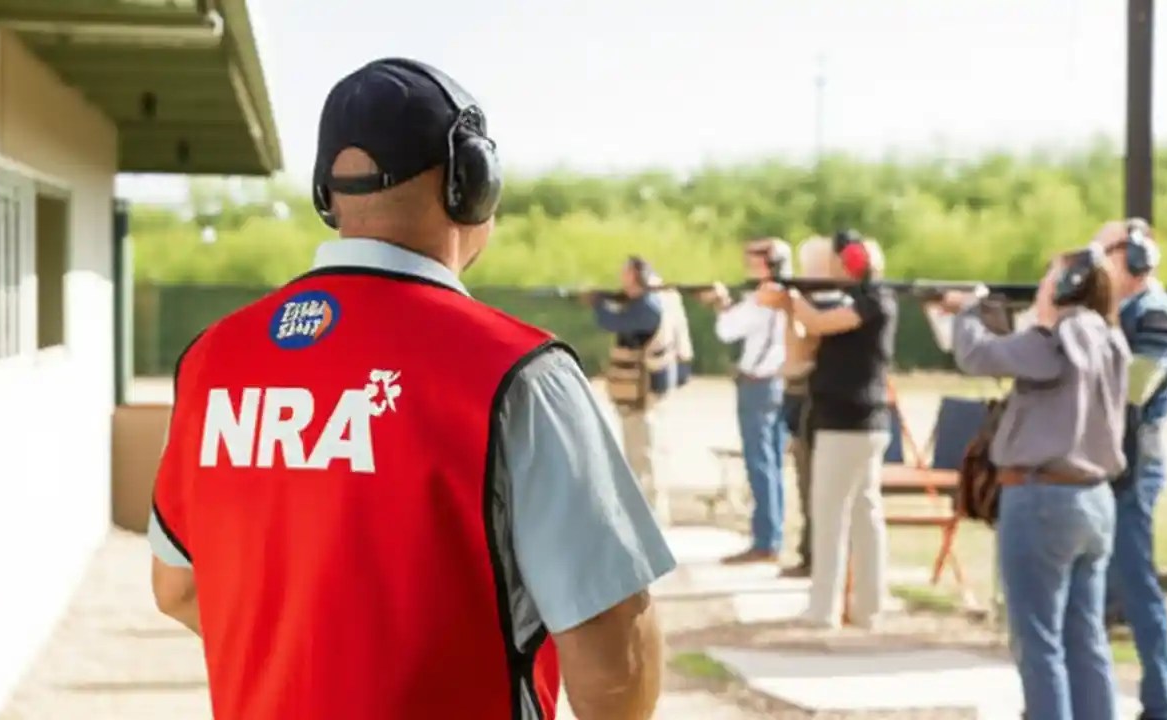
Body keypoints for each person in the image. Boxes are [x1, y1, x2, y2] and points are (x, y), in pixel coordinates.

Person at [147, 58, 675, 720]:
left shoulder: (211, 359)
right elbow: (611, 647)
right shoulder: (516, 371)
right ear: (472, 184)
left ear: (326, 193)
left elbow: (177, 587)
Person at [935, 245, 1129, 720]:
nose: (1042, 285)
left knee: (1038, 643)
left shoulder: (1054, 344)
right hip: (1094, 499)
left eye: (1049, 278)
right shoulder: (1108, 341)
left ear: (1064, 288)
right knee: (1086, 640)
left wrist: (969, 310)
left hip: (1043, 498)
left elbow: (976, 355)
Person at [758, 230, 896, 627]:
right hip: (848, 422)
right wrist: (789, 308)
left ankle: (826, 609)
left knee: (834, 515)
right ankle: (866, 607)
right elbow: (800, 354)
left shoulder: (873, 301)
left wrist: (793, 299)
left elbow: (816, 323)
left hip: (848, 423)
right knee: (860, 514)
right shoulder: (860, 302)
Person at [1094, 218, 1167, 720]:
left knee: (1136, 583)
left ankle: (1163, 702)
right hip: (1106, 457)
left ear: (1130, 258)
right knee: (1096, 589)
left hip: (1134, 459)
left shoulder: (1157, 317)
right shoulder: (1122, 311)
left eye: (1103, 250)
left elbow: (1130, 391)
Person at [699, 238, 790, 564]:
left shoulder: (764, 297)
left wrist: (722, 303)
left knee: (760, 463)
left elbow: (728, 330)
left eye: (754, 261)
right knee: (772, 463)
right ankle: (771, 536)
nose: (749, 266)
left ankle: (765, 540)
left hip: (758, 383)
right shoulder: (780, 294)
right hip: (774, 382)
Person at [587, 255, 681, 525]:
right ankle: (643, 515)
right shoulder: (642, 303)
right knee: (637, 454)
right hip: (635, 394)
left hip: (643, 394)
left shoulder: (647, 306)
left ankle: (648, 517)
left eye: (627, 274)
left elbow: (615, 323)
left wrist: (599, 305)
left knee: (644, 455)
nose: (622, 279)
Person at [780, 235, 845, 578]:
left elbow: (801, 356)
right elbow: (792, 356)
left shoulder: (838, 305)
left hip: (820, 402)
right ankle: (811, 555)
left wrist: (795, 305)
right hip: (801, 402)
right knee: (806, 484)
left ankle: (821, 560)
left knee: (820, 488)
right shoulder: (813, 303)